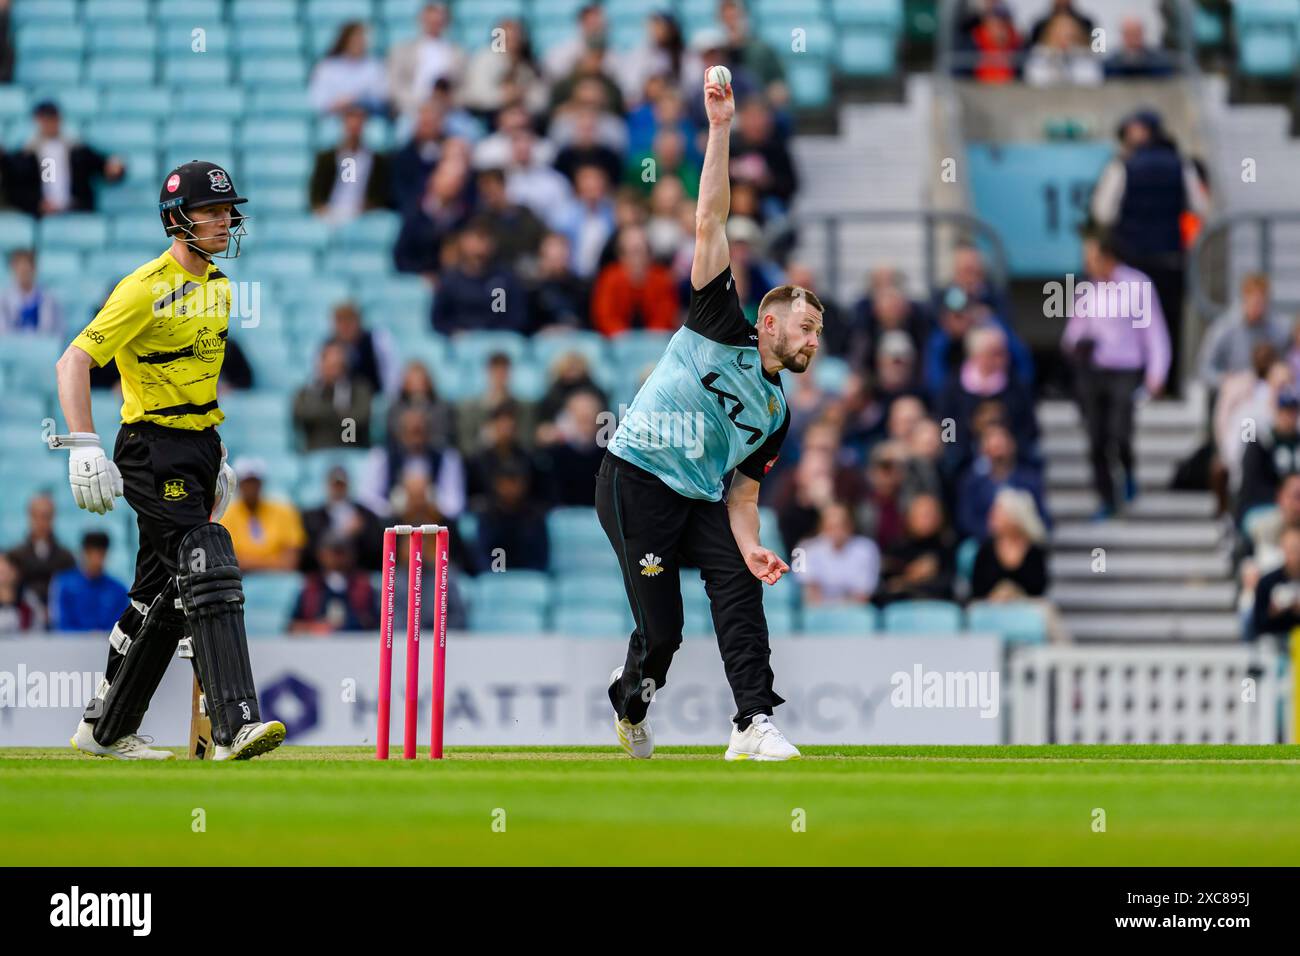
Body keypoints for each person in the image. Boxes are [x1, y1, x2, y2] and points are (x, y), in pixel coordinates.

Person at [595, 71, 823, 762]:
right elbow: (709, 220)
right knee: (663, 637)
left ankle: (752, 722)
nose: (813, 341)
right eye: (806, 327)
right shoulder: (720, 317)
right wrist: (720, 130)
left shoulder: (778, 414)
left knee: (738, 580)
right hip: (634, 477)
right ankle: (630, 692)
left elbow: (745, 495)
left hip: (697, 497)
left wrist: (751, 544)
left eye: (819, 334)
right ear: (771, 320)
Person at [49, 161, 284, 760]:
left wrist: (217, 454)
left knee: (159, 595)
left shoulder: (220, 287)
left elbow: (198, 380)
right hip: (149, 449)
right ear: (178, 219)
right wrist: (84, 446)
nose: (226, 222)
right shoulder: (142, 288)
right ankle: (235, 726)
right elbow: (73, 363)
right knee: (206, 556)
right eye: (212, 212)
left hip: (197, 447)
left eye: (228, 211)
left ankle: (103, 730)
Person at [1091, 109, 1210, 385]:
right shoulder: (1180, 164)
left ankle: (1137, 380)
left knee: (1131, 322)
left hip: (1132, 258)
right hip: (1170, 257)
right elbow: (1200, 206)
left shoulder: (1122, 166)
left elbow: (1103, 212)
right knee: (1168, 323)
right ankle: (1166, 382)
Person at [1061, 229, 1171, 517]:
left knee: (1119, 433)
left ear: (1107, 257)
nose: (1088, 264)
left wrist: (1156, 372)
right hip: (1095, 370)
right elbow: (1072, 334)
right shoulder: (1087, 290)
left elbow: (1154, 333)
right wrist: (1078, 345)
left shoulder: (1137, 285)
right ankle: (1107, 498)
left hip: (1126, 369)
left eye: (1093, 257)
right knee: (1096, 438)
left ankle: (1129, 471)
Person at [0, 100, 125, 216]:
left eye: (52, 118)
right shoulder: (24, 156)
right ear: (37, 121)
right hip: (39, 216)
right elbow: (15, 187)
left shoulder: (78, 150)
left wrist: (114, 169)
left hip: (76, 212)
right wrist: (38, 204)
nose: (49, 124)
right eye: (45, 119)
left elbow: (105, 168)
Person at [1197, 274, 1290, 388]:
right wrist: (1224, 379)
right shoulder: (1224, 327)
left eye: (1261, 302)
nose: (1257, 307)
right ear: (1244, 299)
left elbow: (1287, 365)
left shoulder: (1278, 331)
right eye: (1254, 301)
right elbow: (1204, 368)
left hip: (1267, 393)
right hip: (1234, 392)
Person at [220, 458, 308, 573]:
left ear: (262, 483)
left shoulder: (284, 510)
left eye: (254, 482)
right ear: (239, 484)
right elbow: (227, 561)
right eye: (247, 482)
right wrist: (274, 561)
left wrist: (248, 562)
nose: (251, 487)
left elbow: (290, 561)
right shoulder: (226, 514)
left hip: (277, 578)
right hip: (243, 578)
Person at [308, 104, 391, 223]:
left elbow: (380, 196)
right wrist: (323, 209)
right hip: (330, 214)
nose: (354, 128)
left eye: (358, 124)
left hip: (363, 217)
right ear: (344, 125)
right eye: (351, 123)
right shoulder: (326, 159)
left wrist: (365, 208)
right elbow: (316, 195)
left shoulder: (377, 161)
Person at [590, 226, 680, 335]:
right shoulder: (609, 278)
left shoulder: (661, 279)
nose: (636, 258)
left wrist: (652, 336)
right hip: (617, 343)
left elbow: (666, 314)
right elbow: (604, 315)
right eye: (631, 252)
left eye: (640, 251)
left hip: (655, 342)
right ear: (621, 255)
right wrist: (622, 336)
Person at [289, 532, 380, 635]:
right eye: (331, 553)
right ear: (320, 555)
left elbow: (375, 623)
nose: (336, 559)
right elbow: (292, 626)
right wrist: (313, 627)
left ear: (352, 555)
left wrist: (349, 624)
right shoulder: (310, 587)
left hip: (354, 644)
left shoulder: (364, 586)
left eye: (341, 553)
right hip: (316, 645)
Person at [292, 340, 374, 451]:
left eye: (337, 364)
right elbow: (302, 415)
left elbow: (357, 420)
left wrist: (323, 415)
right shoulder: (306, 393)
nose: (333, 369)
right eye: (329, 364)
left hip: (350, 449)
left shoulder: (359, 390)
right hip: (316, 451)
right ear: (320, 364)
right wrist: (338, 412)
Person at [386, 2, 464, 119]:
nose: (434, 25)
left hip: (448, 110)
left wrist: (451, 101)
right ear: (422, 20)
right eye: (431, 21)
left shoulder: (457, 52)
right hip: (413, 109)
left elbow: (464, 86)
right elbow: (395, 85)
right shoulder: (403, 50)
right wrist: (415, 103)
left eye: (438, 21)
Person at [970, 487, 1049, 601]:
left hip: (1026, 610)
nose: (991, 516)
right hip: (990, 610)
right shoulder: (985, 548)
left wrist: (1014, 593)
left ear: (1014, 516)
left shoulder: (1034, 550)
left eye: (998, 512)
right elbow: (977, 589)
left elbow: (1039, 587)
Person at [797, 503, 879, 606]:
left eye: (841, 525)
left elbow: (863, 596)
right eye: (831, 526)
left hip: (854, 614)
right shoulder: (804, 548)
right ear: (821, 526)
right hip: (818, 614)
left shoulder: (868, 549)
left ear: (850, 525)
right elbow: (809, 595)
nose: (836, 532)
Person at [48, 532, 129, 632]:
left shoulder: (118, 590)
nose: (95, 559)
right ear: (83, 553)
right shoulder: (64, 585)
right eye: (91, 553)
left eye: (100, 554)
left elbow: (121, 628)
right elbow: (61, 625)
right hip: (71, 645)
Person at [6, 492, 74, 610]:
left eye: (46, 516)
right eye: (37, 516)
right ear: (29, 517)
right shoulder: (14, 556)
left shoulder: (66, 558)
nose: (41, 522)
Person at [308, 21, 388, 116]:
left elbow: (382, 96)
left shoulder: (374, 66)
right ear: (345, 40)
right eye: (356, 39)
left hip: (366, 117)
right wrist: (340, 104)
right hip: (334, 118)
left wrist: (356, 100)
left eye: (363, 39)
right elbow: (318, 100)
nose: (360, 43)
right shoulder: (327, 67)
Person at [1251, 525, 1300, 641]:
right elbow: (1257, 624)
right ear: (1282, 549)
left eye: (1297, 549)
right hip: (1275, 641)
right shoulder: (1267, 583)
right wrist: (1273, 612)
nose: (1296, 554)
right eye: (1291, 549)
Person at [0, 248, 62, 335]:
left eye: (26, 270)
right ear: (13, 270)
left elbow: (52, 332)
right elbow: (3, 332)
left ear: (34, 270)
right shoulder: (4, 299)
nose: (23, 274)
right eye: (20, 270)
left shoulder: (47, 298)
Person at [0, 552, 40, 633]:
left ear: (17, 572)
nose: (4, 574)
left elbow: (38, 629)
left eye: (8, 569)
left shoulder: (29, 599)